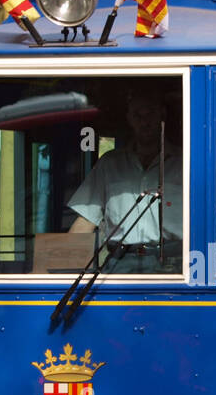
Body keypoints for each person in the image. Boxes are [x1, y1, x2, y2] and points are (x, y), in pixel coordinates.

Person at [67, 91, 182, 272]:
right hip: (121, 264)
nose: (144, 121)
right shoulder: (109, 164)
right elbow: (85, 221)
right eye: (137, 114)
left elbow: (211, 219)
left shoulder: (186, 163)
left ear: (162, 114)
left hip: (174, 265)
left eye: (150, 113)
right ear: (129, 118)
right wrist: (61, 263)